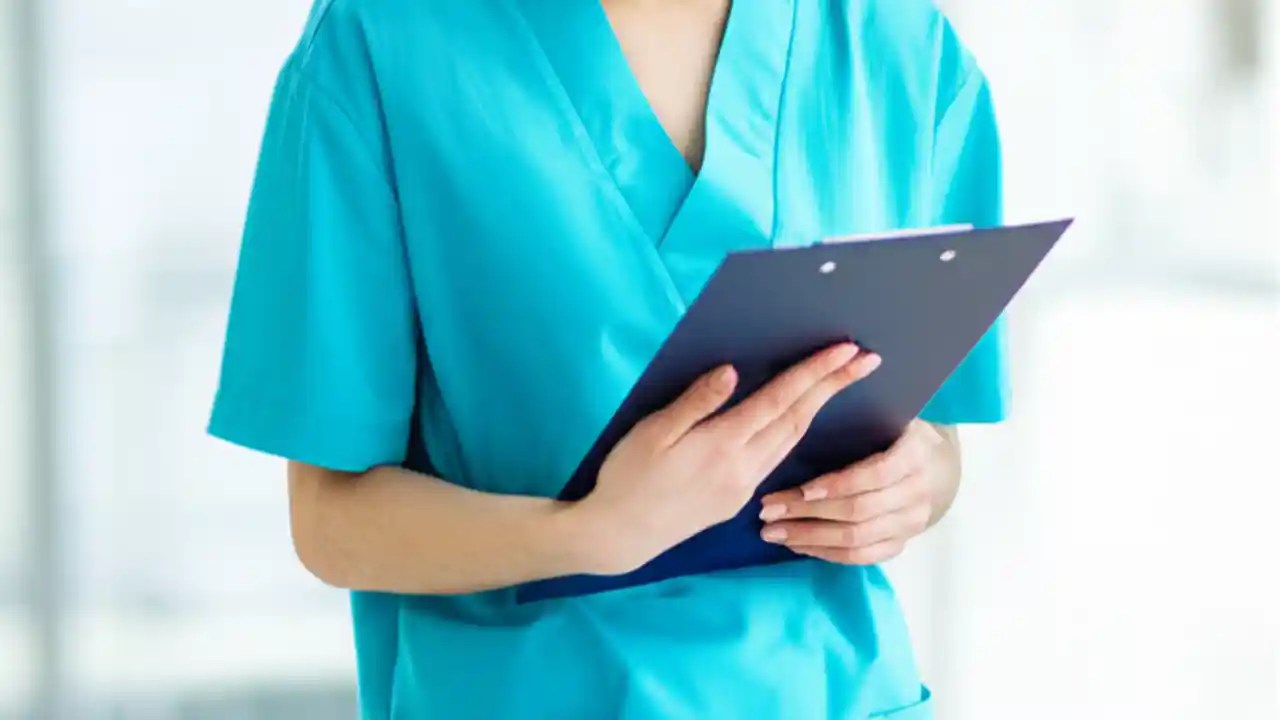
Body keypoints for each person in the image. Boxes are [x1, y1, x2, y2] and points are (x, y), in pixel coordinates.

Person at [208, 0, 1008, 717]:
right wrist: (589, 533)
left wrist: (913, 484)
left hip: (837, 691)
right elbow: (330, 521)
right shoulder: (380, 41)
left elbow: (935, 440)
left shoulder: (898, 42)